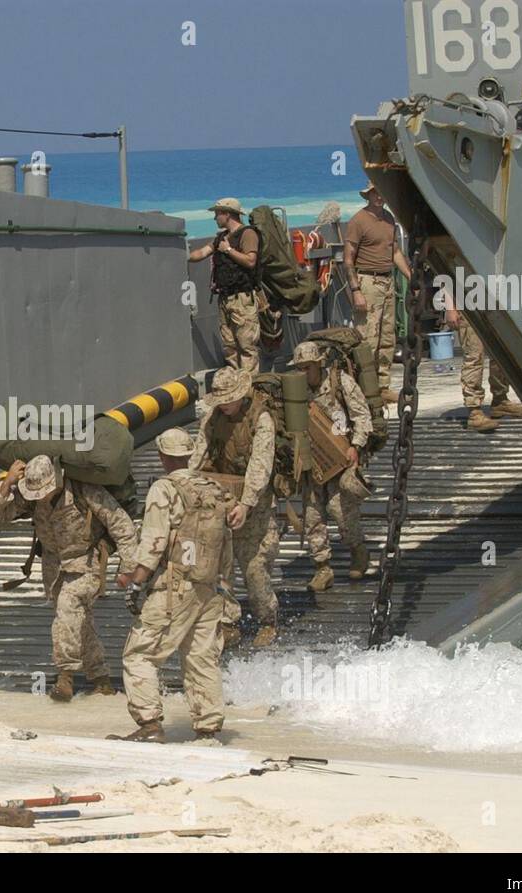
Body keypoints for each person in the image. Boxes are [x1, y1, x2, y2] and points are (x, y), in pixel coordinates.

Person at [109, 428, 232, 744]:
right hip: (208, 587)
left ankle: (149, 724)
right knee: (201, 657)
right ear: (190, 453)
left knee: (139, 654)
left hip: (174, 589)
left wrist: (136, 583)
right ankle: (208, 729)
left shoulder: (164, 489)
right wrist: (224, 587)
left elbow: (154, 541)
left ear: (162, 456)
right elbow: (226, 545)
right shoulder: (214, 489)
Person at [0, 455, 137, 702]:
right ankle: (101, 679)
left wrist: (129, 568)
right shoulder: (30, 497)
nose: (41, 497)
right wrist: (6, 485)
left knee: (68, 609)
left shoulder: (82, 490)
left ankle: (65, 676)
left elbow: (122, 525)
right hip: (54, 567)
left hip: (87, 561)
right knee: (79, 621)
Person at [189, 367, 281, 647]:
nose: (224, 405)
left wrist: (246, 503)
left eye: (228, 399)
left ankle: (268, 619)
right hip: (221, 499)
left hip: (255, 505)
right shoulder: (213, 418)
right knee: (220, 565)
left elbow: (260, 466)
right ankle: (229, 621)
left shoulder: (261, 419)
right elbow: (198, 453)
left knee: (253, 566)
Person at [289, 342, 373, 591]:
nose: (304, 372)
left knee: (341, 510)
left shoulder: (341, 382)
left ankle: (358, 551)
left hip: (341, 457)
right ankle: (322, 568)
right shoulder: (296, 391)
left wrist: (355, 446)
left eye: (308, 367)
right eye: (300, 368)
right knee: (313, 514)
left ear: (318, 364)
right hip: (313, 460)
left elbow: (362, 416)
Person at [344, 184, 412, 404]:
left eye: (382, 192)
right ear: (368, 195)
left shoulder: (389, 219)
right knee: (368, 339)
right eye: (375, 192)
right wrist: (356, 290)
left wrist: (411, 277)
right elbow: (348, 259)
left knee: (387, 338)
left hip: (387, 280)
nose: (380, 196)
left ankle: (382, 386)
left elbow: (395, 252)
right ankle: (365, 389)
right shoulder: (358, 221)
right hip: (367, 281)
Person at [188, 197, 265, 372]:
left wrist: (228, 250)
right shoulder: (221, 238)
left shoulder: (248, 234)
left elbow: (251, 260)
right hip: (225, 299)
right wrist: (182, 255)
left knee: (246, 346)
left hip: (242, 299)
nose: (215, 218)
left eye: (217, 214)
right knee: (229, 346)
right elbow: (202, 253)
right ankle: (234, 386)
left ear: (227, 214)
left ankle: (249, 389)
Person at [445, 302, 522, 432]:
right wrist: (450, 307)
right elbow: (447, 281)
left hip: (496, 307)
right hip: (469, 308)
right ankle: (474, 413)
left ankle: (500, 401)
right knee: (474, 357)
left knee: (501, 356)